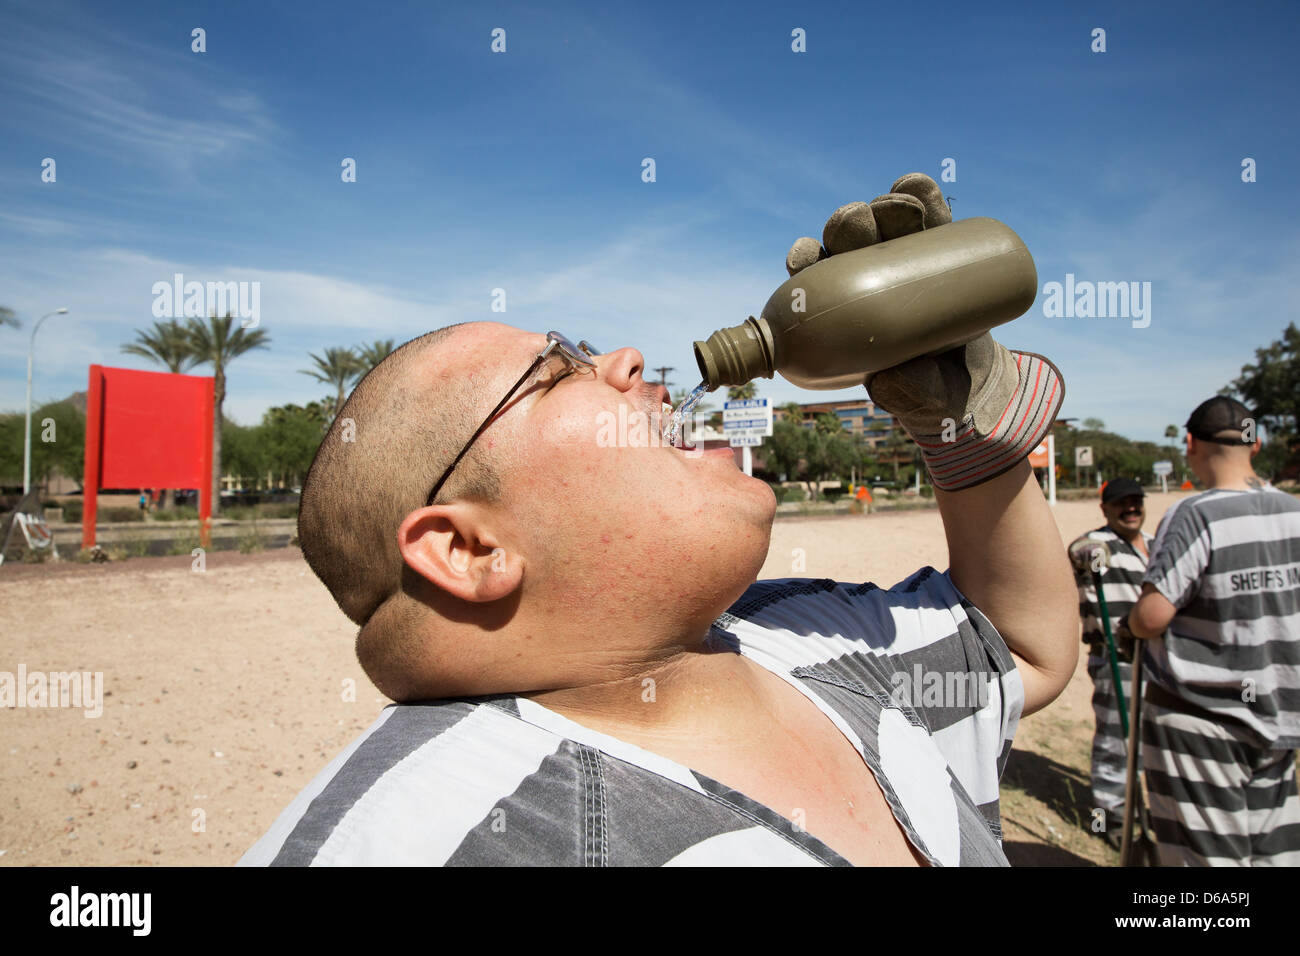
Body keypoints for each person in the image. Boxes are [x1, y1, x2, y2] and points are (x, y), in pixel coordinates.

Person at [240, 174, 1076, 866]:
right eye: (556, 367)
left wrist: (960, 428)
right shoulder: (410, 835)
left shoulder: (796, 633)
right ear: (468, 548)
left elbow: (1024, 646)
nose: (625, 359)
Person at [1125, 396, 1300, 866]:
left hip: (1203, 720)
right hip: (1280, 720)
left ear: (1190, 444)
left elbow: (1153, 616)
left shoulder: (1197, 514)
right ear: (1256, 445)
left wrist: (1131, 621)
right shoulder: (1293, 512)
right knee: (1275, 853)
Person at [1066, 477, 1152, 848]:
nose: (1130, 508)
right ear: (1105, 509)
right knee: (1115, 744)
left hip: (1158, 663)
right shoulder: (1098, 543)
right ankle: (1108, 818)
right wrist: (1090, 554)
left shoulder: (1153, 545)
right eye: (1121, 503)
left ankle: (1142, 807)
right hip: (1116, 660)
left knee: (1148, 740)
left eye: (1135, 501)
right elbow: (1078, 550)